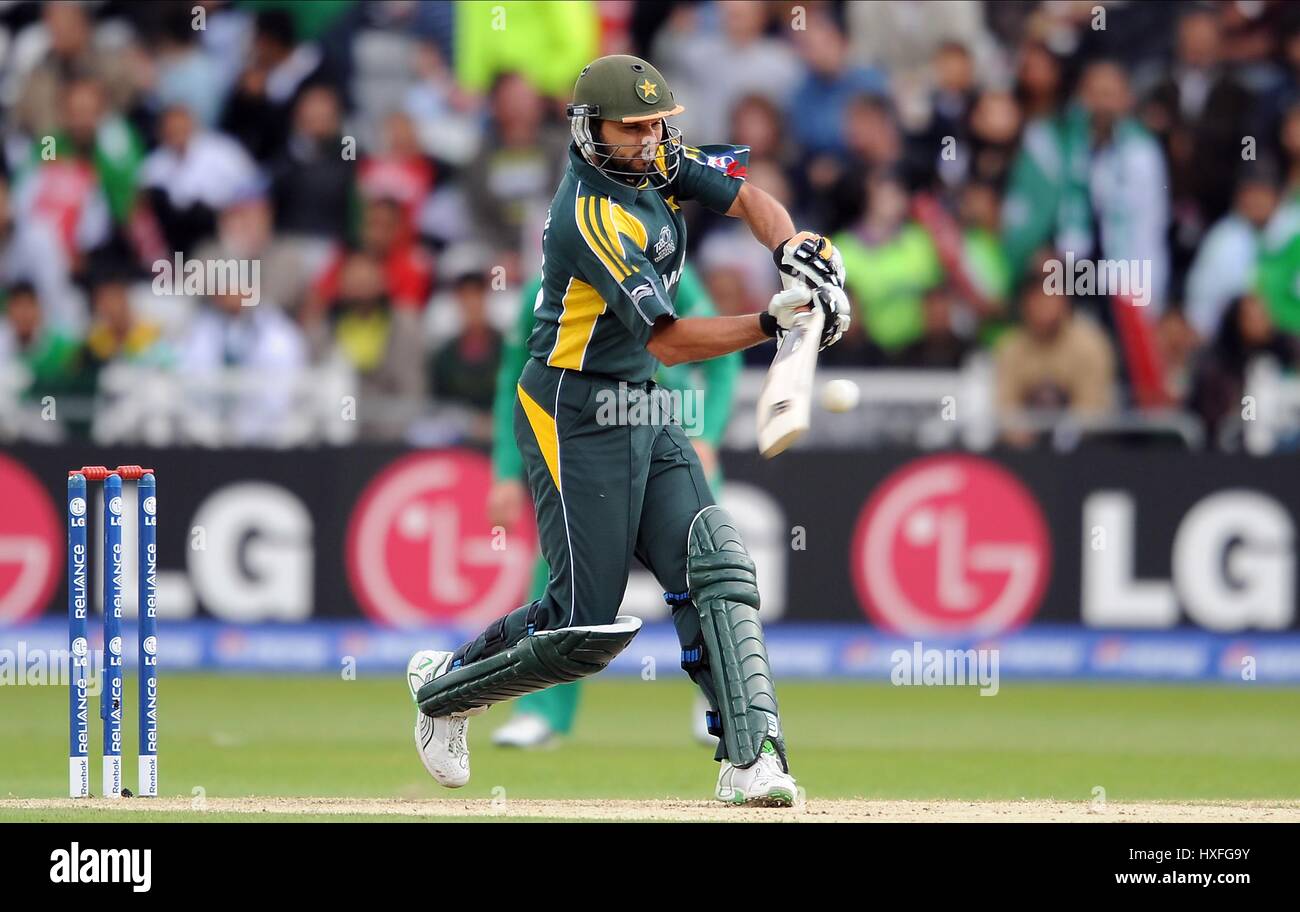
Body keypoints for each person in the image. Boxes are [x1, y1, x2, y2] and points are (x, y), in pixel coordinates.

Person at [404, 55, 850, 806]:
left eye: (656, 124)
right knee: (583, 627)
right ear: (590, 132)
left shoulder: (662, 162)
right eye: (632, 127)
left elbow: (749, 200)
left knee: (715, 565)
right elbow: (669, 341)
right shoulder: (591, 215)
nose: (649, 139)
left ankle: (753, 760)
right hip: (571, 409)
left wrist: (790, 252)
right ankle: (445, 690)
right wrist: (774, 321)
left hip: (644, 401)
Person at [487, 263, 739, 749]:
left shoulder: (669, 276)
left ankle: (724, 706)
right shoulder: (543, 291)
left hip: (672, 441)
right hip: (589, 448)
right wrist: (504, 470)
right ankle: (542, 711)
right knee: (563, 576)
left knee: (708, 574)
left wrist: (707, 433)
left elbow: (722, 362)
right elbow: (512, 381)